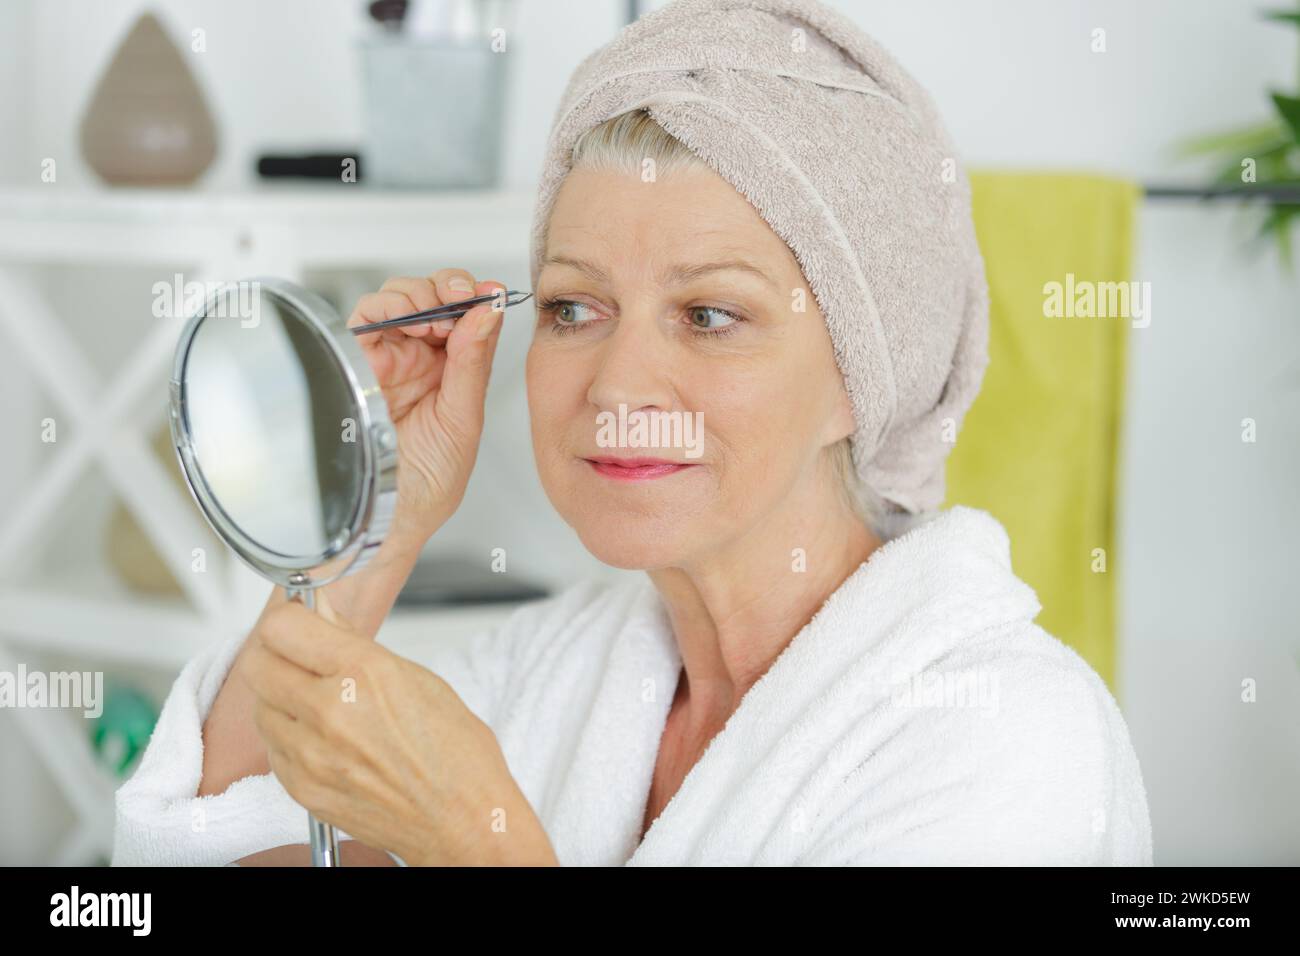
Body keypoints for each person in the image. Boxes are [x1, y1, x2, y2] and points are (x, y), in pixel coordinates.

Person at [112, 0, 1152, 866]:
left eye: (708, 315)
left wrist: (473, 837)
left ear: (858, 379)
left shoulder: (1009, 739)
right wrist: (371, 519)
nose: (617, 381)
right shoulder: (556, 667)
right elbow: (219, 847)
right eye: (573, 307)